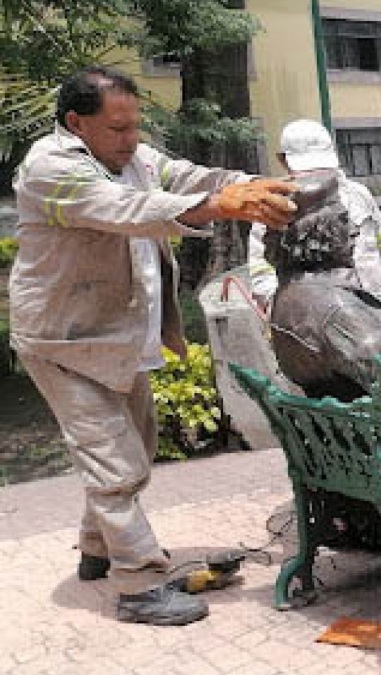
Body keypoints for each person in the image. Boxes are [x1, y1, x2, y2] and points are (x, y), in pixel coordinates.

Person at [8, 66, 297, 625]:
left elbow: (185, 176)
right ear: (76, 123)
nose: (131, 138)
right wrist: (221, 206)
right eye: (118, 128)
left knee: (133, 448)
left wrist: (252, 185)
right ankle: (138, 586)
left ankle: (98, 551)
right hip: (62, 340)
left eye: (135, 125)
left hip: (115, 334)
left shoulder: (131, 156)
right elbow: (130, 211)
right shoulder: (50, 168)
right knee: (113, 461)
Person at [247, 119, 381, 341]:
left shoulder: (358, 196)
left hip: (374, 312)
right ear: (282, 161)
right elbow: (263, 278)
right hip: (315, 329)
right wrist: (285, 317)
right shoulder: (272, 208)